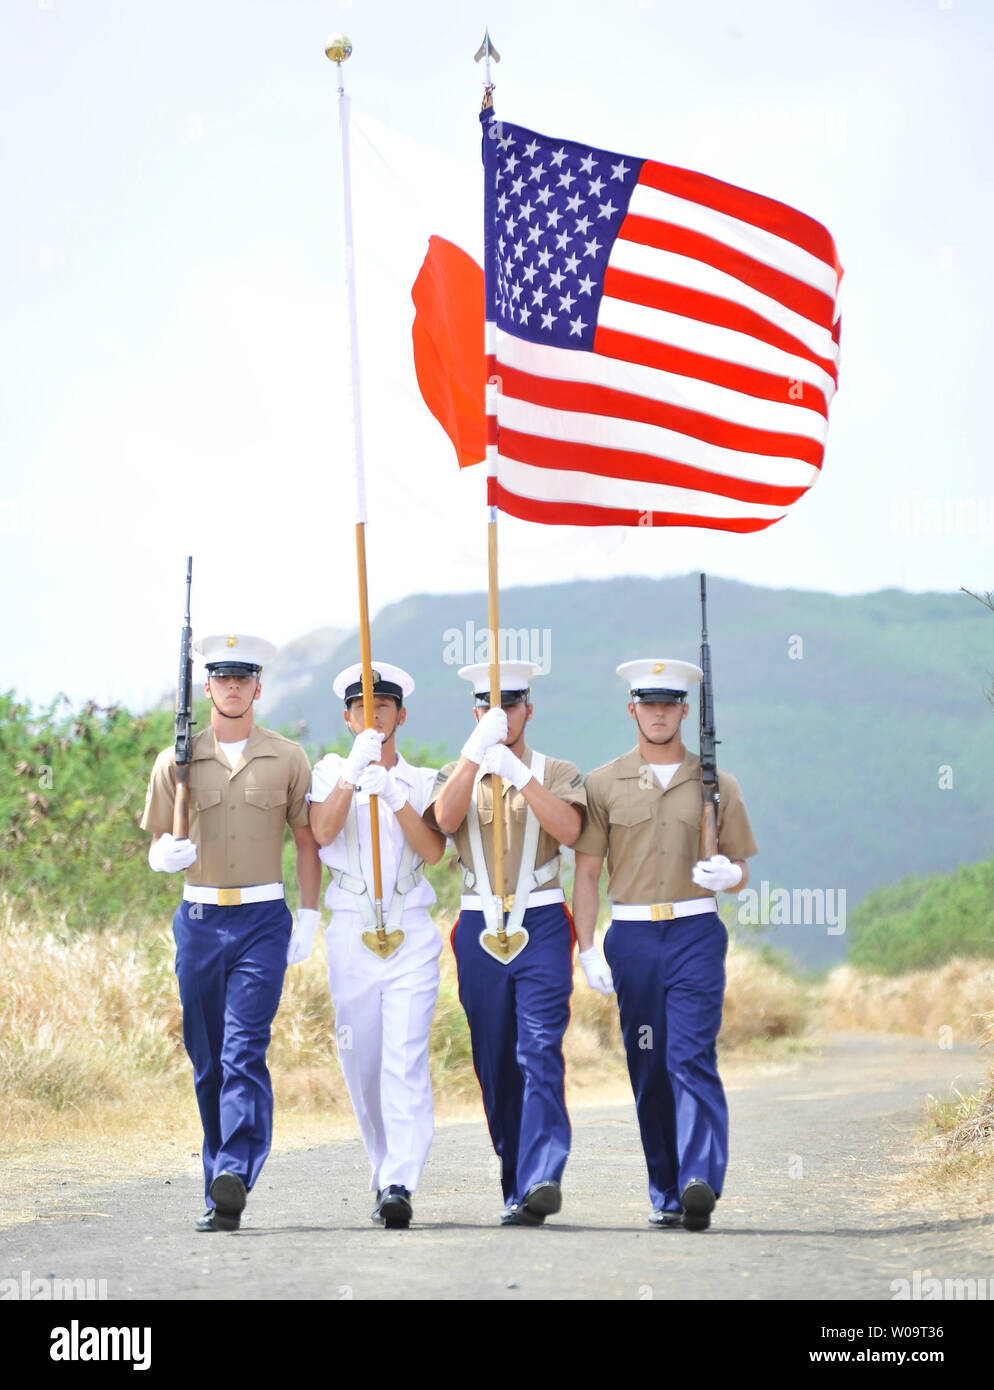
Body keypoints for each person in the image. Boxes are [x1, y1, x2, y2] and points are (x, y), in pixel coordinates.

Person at [141, 634, 321, 1233]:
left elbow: (306, 840)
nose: (234, 687)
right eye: (223, 678)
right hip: (198, 919)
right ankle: (220, 1188)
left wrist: (311, 914)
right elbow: (157, 839)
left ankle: (236, 1171)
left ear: (258, 688)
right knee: (207, 1059)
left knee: (244, 1048)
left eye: (244, 679)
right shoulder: (177, 760)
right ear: (209, 688)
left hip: (262, 921)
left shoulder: (288, 757)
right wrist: (164, 855)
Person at [572, 658, 757, 1233]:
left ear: (684, 710)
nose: (658, 713)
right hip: (630, 937)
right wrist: (586, 947)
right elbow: (586, 872)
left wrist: (732, 877)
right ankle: (667, 1190)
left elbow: (740, 867)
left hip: (695, 932)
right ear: (633, 710)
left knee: (691, 1055)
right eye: (647, 704)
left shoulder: (717, 784)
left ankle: (700, 1178)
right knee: (649, 1064)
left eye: (669, 704)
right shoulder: (601, 784)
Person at [425, 661, 601, 1227]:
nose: (502, 716)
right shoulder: (457, 771)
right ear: (476, 713)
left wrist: (520, 776)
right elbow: (445, 821)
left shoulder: (558, 770)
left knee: (539, 1047)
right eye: (489, 708)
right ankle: (516, 1179)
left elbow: (571, 833)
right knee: (495, 1058)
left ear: (529, 708)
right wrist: (478, 757)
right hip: (478, 924)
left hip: (542, 920)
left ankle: (544, 1172)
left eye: (513, 706)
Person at [291, 661, 445, 1231]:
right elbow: (323, 832)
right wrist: (355, 776)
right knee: (362, 1062)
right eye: (362, 707)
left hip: (411, 928)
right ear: (347, 715)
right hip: (351, 928)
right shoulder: (329, 770)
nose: (372, 715)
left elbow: (432, 851)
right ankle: (382, 1170)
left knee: (404, 1056)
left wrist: (396, 797)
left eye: (383, 706)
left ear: (400, 715)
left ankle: (402, 1179)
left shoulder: (425, 779)